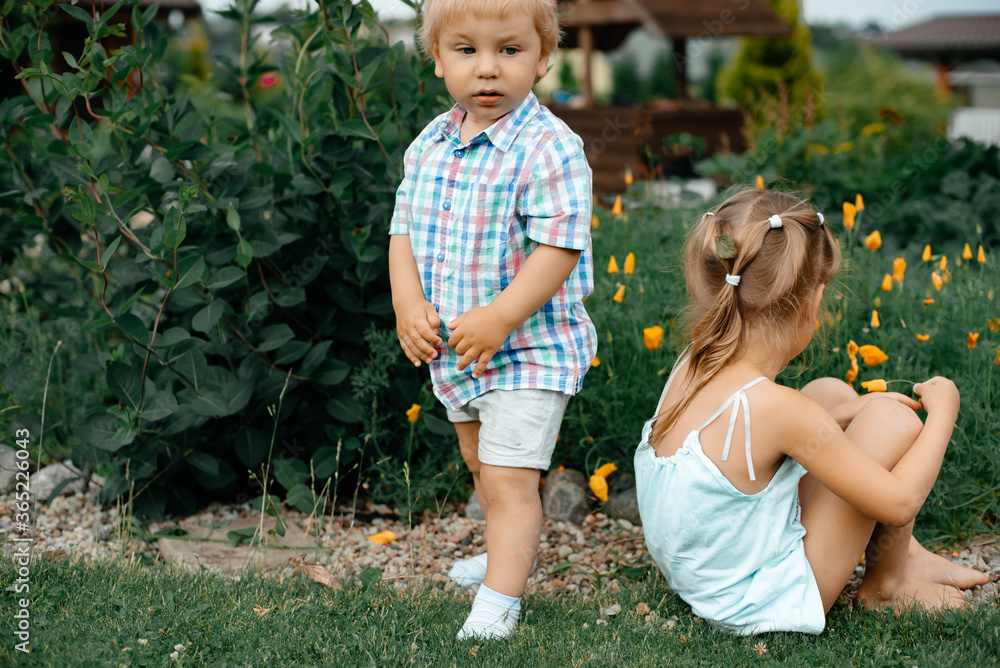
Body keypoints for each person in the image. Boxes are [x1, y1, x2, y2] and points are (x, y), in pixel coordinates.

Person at [634, 188, 988, 635]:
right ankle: (887, 584)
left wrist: (845, 412)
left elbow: (777, 428)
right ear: (810, 304)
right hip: (762, 598)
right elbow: (898, 502)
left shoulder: (694, 360)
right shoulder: (780, 411)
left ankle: (907, 558)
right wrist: (943, 415)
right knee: (893, 421)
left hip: (707, 573)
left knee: (829, 393)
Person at [388, 0, 596, 640]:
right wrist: (406, 305)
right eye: (466, 50)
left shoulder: (549, 147)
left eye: (509, 50)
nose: (488, 69)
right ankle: (503, 552)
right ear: (437, 60)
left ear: (541, 58)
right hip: (460, 350)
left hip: (530, 347)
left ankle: (499, 602)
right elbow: (403, 230)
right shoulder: (431, 143)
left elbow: (560, 245)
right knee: (482, 464)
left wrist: (503, 315)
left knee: (507, 478)